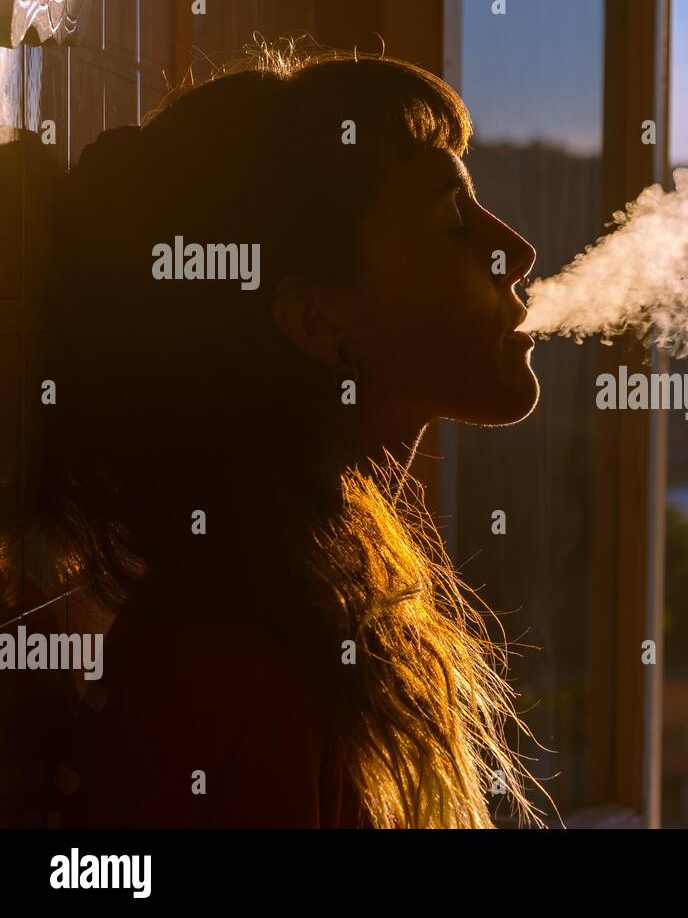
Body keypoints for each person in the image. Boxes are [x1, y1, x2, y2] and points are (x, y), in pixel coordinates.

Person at [0, 42, 546, 828]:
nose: (518, 252)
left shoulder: (292, 609)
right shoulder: (232, 667)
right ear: (318, 318)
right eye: (453, 222)